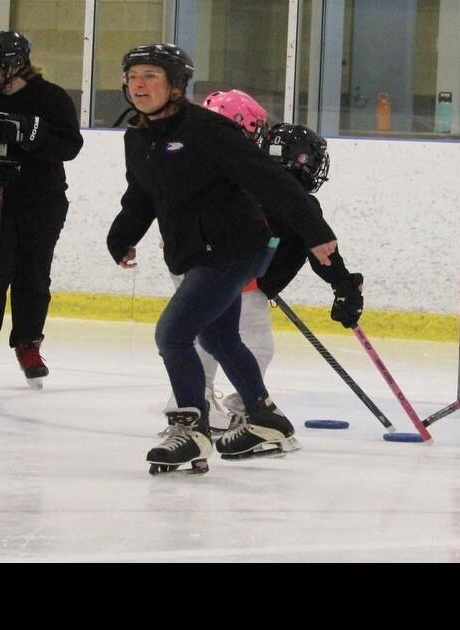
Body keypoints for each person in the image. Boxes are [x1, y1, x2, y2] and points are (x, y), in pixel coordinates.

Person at [106, 43, 339, 475]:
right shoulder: (137, 137)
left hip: (234, 248)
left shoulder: (208, 130)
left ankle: (190, 429)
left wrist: (315, 232)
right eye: (133, 77)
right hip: (194, 251)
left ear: (175, 84)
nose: (139, 86)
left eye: (151, 76)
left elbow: (269, 180)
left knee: (173, 334)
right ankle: (265, 418)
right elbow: (141, 194)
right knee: (219, 340)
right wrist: (121, 237)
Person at [169, 94, 365, 433]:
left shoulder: (235, 174)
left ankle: (190, 404)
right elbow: (319, 247)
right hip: (234, 276)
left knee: (205, 335)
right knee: (246, 342)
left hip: (197, 263)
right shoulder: (286, 193)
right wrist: (344, 286)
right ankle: (231, 406)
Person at [0, 30, 84, 388]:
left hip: (41, 202)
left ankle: (28, 343)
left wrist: (28, 133)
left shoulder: (50, 98)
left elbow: (69, 145)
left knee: (33, 276)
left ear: (17, 65)